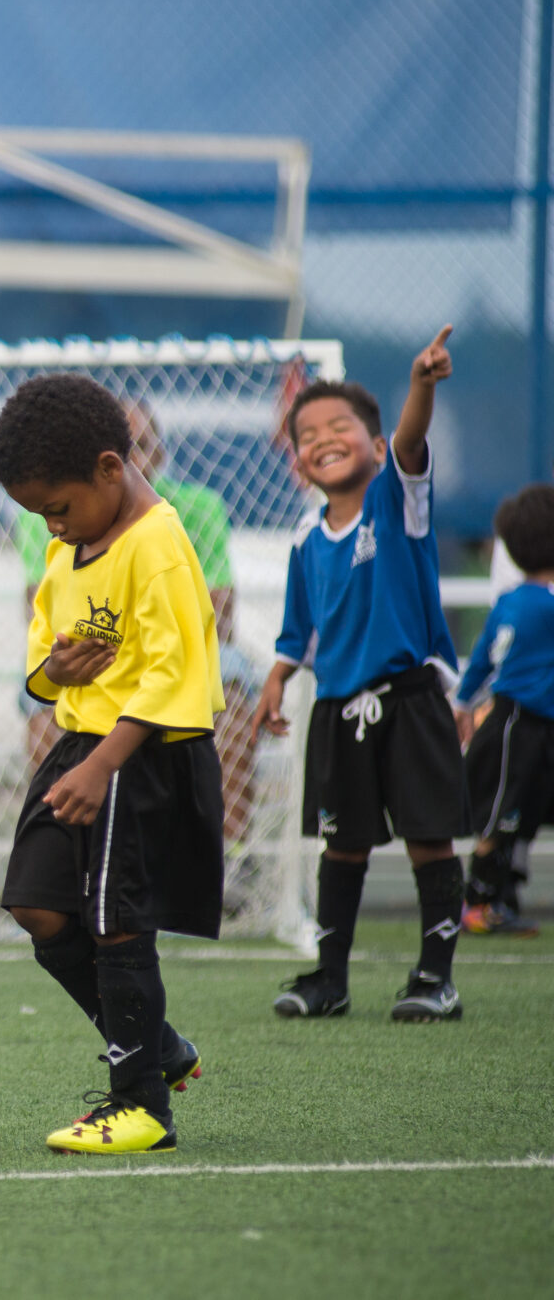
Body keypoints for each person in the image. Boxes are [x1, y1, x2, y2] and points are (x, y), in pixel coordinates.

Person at [0, 374, 222, 1156]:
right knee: (36, 906)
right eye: (39, 516)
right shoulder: (70, 548)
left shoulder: (158, 545)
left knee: (115, 924)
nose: (52, 527)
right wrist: (57, 670)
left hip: (141, 752)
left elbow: (178, 676)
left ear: (108, 469)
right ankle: (157, 1043)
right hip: (80, 747)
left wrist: (103, 767)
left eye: (58, 507)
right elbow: (39, 664)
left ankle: (142, 1106)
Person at [255, 327, 471, 1022]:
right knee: (341, 845)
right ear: (297, 463)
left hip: (409, 701)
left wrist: (422, 386)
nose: (322, 438)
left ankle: (435, 978)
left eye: (339, 426)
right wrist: (277, 678)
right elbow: (300, 628)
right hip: (337, 708)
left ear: (377, 448)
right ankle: (330, 978)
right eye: (307, 434)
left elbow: (412, 439)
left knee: (427, 837)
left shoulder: (395, 501)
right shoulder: (303, 540)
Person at [15, 402, 259, 842]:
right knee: (40, 697)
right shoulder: (48, 510)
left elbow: (219, 616)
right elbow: (42, 613)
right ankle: (63, 844)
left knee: (233, 686)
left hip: (179, 648)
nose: (129, 463)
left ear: (162, 455)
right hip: (96, 651)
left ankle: (227, 853)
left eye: (140, 447)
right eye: (111, 452)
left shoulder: (196, 508)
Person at [455, 482, 554, 936]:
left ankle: (490, 900)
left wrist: (462, 701)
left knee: (515, 814)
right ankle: (475, 903)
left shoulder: (508, 602)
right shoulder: (543, 606)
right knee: (502, 815)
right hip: (520, 725)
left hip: (514, 719)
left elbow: (479, 662)